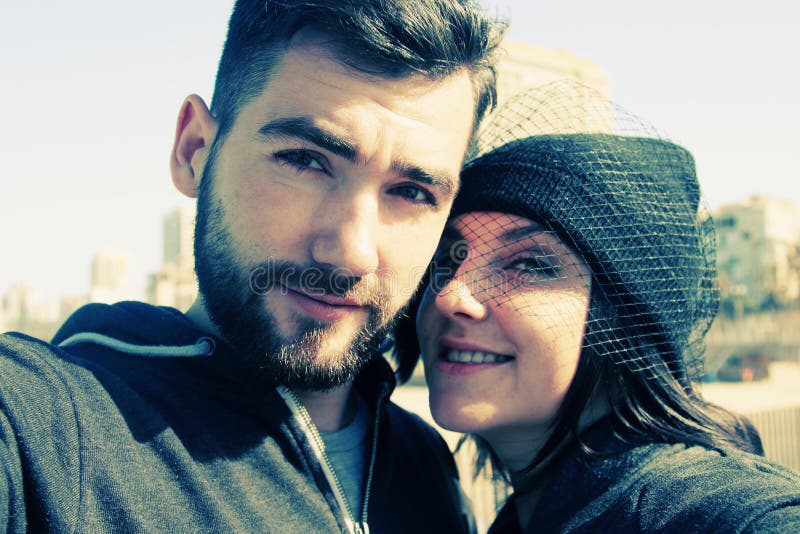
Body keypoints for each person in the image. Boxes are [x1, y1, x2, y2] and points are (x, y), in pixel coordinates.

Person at [0, 1, 505, 532]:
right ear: (194, 150)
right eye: (304, 160)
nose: (351, 253)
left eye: (413, 192)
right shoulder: (46, 431)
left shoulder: (425, 465)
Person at [397, 86, 800, 532]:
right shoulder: (518, 515)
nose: (449, 296)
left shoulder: (713, 511)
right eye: (447, 259)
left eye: (529, 265)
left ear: (625, 318)